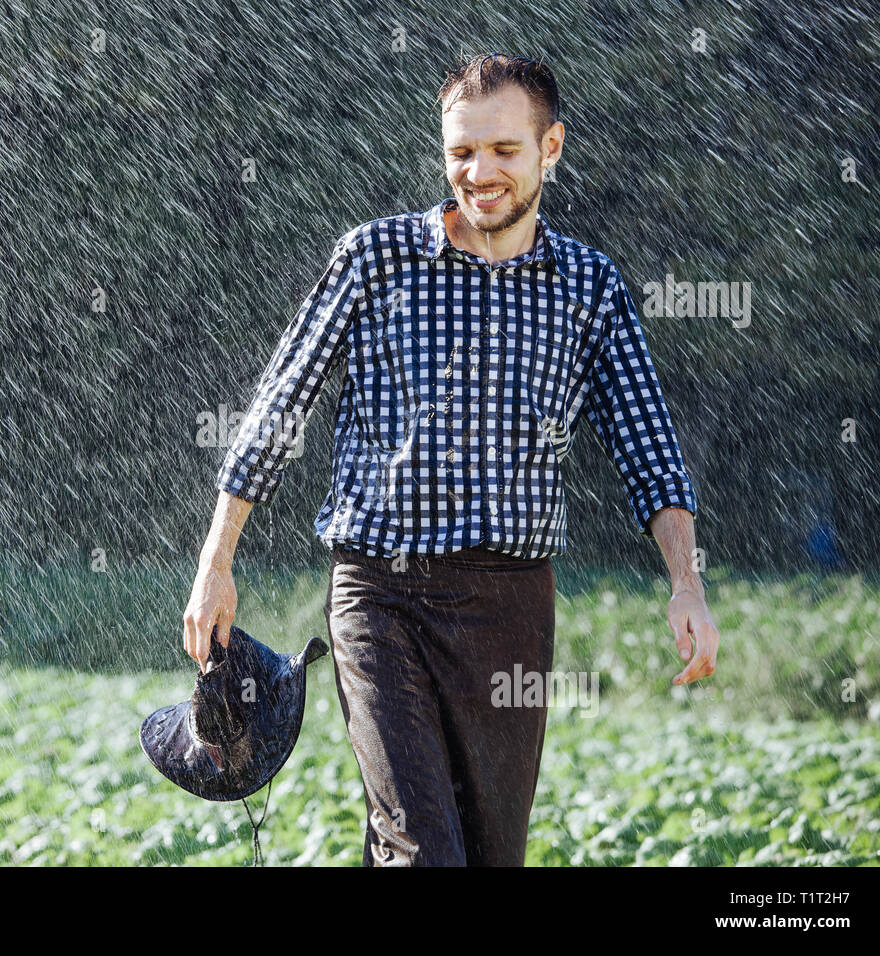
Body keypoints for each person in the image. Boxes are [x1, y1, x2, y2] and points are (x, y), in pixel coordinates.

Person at [182, 52, 721, 866]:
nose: (479, 172)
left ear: (550, 148)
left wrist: (686, 583)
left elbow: (647, 445)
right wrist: (216, 560)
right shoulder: (374, 259)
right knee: (421, 847)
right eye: (461, 152)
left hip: (511, 607)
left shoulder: (591, 288)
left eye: (503, 149)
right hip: (379, 594)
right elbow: (278, 406)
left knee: (488, 852)